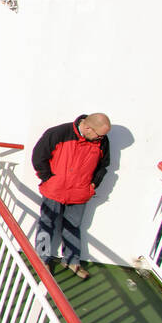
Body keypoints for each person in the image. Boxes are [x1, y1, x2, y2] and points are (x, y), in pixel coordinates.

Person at [31, 113, 111, 279]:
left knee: (73, 226)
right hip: (55, 190)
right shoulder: (58, 133)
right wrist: (50, 180)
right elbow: (39, 157)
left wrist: (93, 185)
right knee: (47, 223)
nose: (102, 138)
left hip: (80, 193)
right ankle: (42, 259)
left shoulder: (102, 141)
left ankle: (71, 261)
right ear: (88, 128)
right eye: (100, 135)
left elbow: (103, 166)